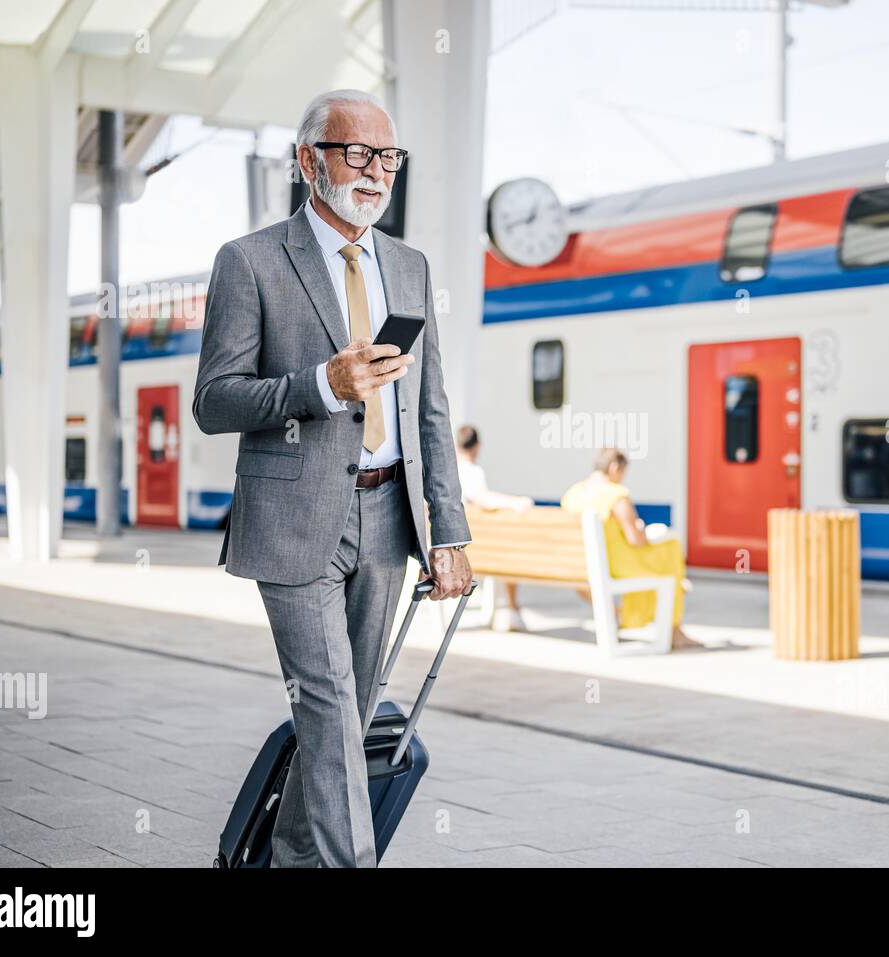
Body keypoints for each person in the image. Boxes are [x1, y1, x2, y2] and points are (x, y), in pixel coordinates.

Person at [193, 89, 473, 867]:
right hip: (293, 517)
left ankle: (286, 858)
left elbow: (429, 408)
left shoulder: (409, 267)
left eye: (389, 157)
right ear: (308, 161)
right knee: (325, 708)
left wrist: (448, 529)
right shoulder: (249, 261)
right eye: (358, 153)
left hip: (388, 520)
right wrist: (321, 384)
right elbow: (213, 400)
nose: (377, 172)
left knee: (347, 713)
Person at [560, 449, 700, 650]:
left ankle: (622, 615)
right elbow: (636, 540)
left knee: (667, 559)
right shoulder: (616, 495)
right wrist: (641, 530)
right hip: (616, 565)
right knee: (671, 552)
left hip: (580, 563)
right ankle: (674, 631)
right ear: (615, 468)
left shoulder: (574, 493)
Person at [456, 425, 532, 631]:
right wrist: (515, 503)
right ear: (477, 446)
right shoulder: (472, 471)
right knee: (509, 553)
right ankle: (513, 609)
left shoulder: (449, 469)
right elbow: (483, 499)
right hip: (473, 549)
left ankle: (507, 610)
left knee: (503, 550)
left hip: (457, 544)